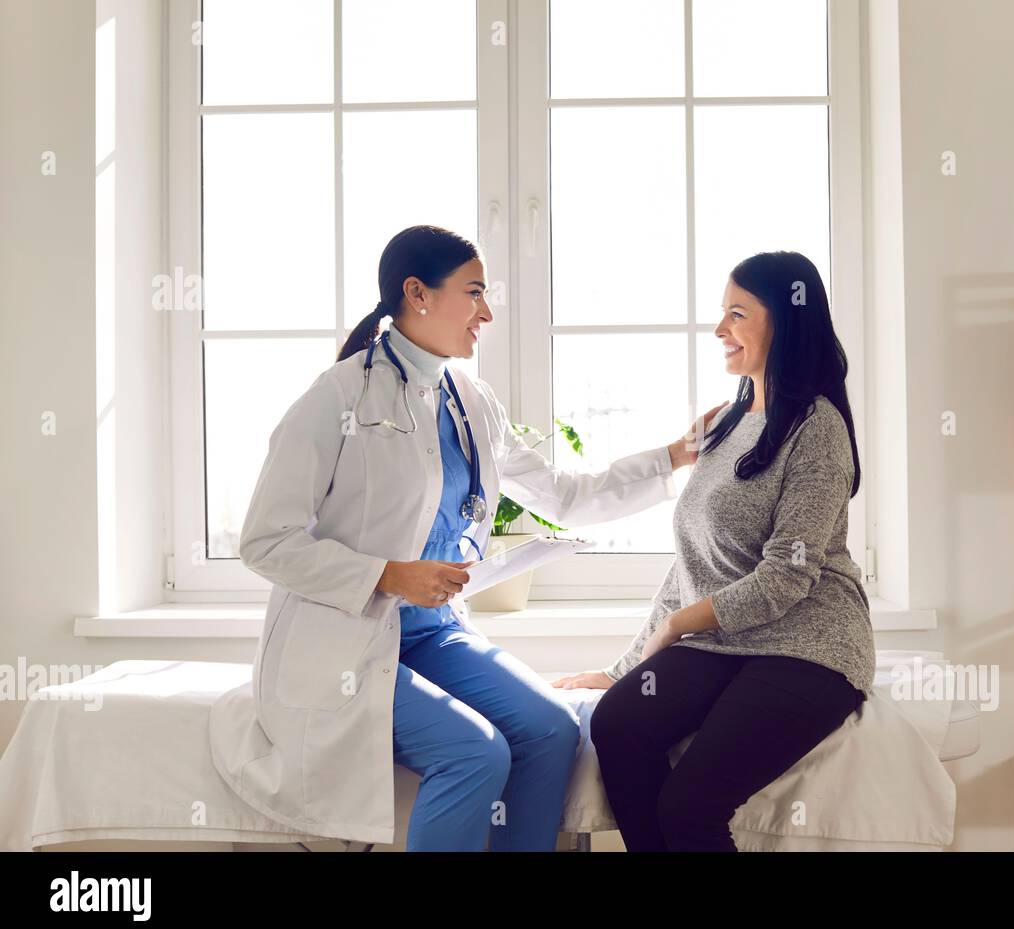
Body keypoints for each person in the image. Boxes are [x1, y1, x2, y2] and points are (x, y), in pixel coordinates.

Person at [209, 225, 724, 851]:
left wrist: (675, 455)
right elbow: (266, 540)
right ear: (417, 293)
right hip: (345, 641)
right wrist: (388, 575)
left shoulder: (472, 402)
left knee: (553, 731)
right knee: (474, 751)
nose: (487, 313)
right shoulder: (337, 396)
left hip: (432, 633)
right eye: (474, 292)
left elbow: (563, 495)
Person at [554, 251, 875, 852]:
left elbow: (786, 578)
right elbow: (692, 561)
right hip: (725, 640)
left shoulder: (817, 427)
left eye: (737, 314)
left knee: (690, 806)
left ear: (785, 321)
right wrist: (625, 668)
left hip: (808, 643)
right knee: (618, 724)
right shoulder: (726, 420)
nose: (720, 329)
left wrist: (678, 624)